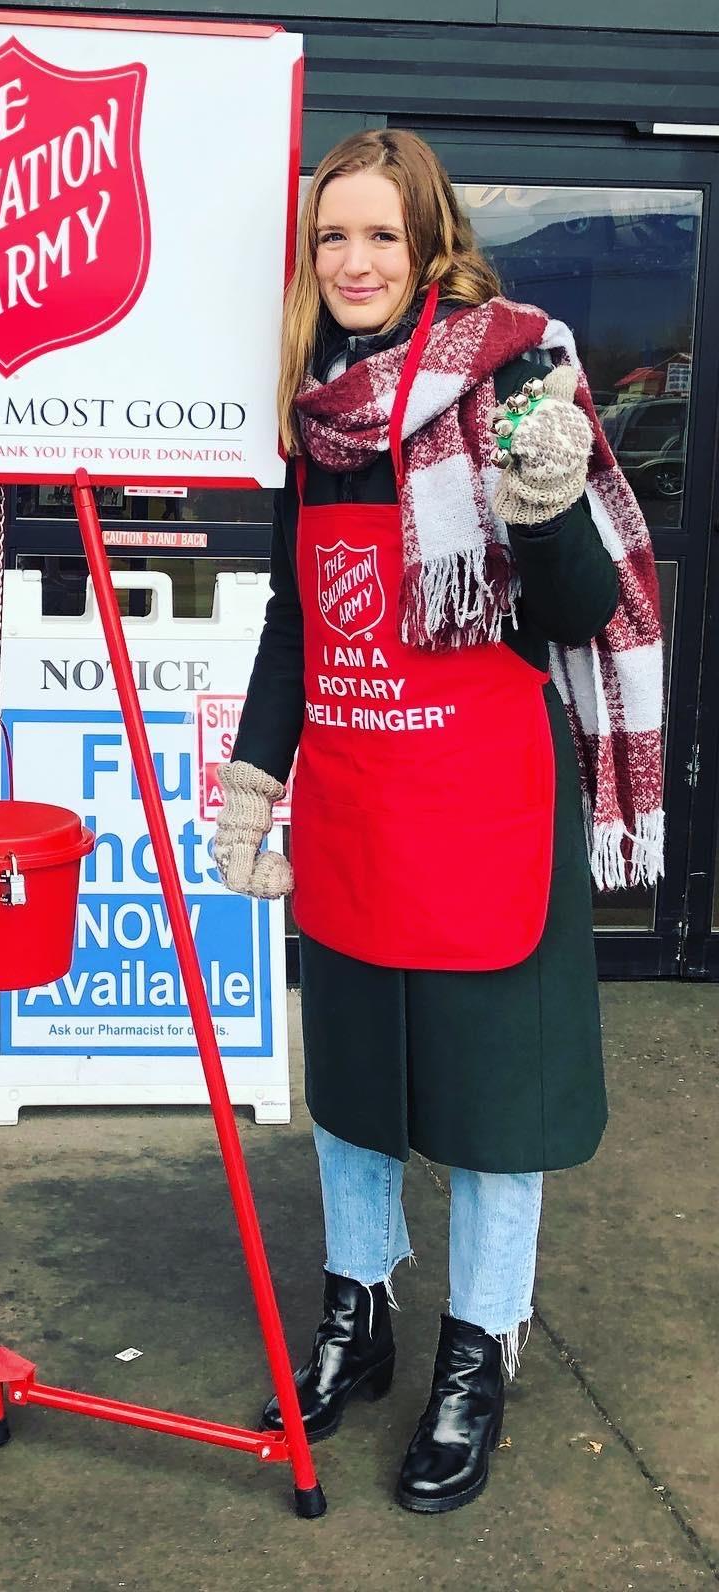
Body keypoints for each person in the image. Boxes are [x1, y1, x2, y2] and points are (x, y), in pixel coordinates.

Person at [214, 129, 664, 1515]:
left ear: (430, 246)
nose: (354, 262)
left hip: (483, 796)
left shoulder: (516, 370)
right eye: (331, 239)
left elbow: (585, 609)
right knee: (352, 1091)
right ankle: (361, 1310)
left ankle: (479, 1347)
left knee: (488, 1105)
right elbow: (302, 612)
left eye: (380, 238)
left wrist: (539, 499)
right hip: (354, 798)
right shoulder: (316, 409)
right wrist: (253, 776)